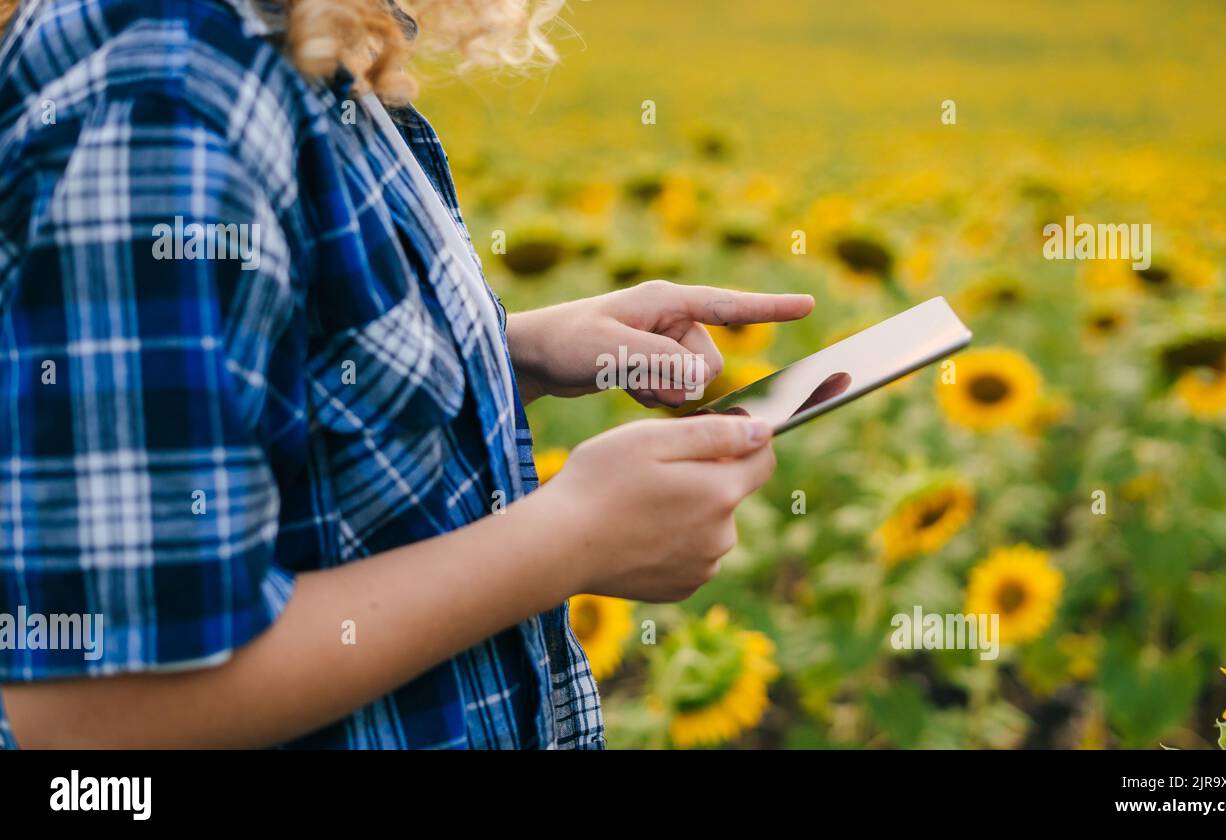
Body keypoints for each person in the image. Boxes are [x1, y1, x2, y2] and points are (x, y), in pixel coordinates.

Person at [0, 0, 813, 749]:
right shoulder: (170, 93)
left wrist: (512, 354)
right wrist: (570, 538)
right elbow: (96, 715)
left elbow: (269, 391)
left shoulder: (305, 38)